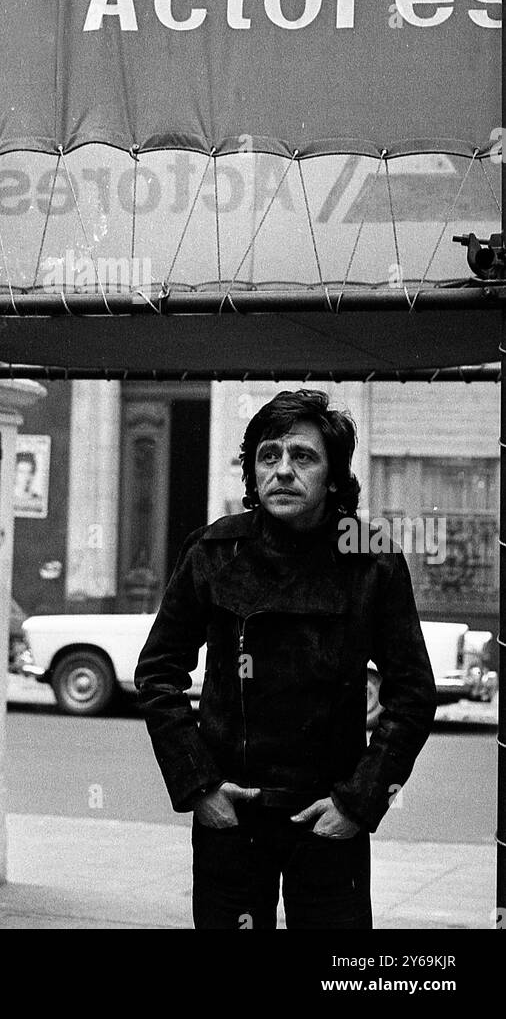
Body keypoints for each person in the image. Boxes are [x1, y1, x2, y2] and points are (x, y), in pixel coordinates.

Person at [134, 389, 437, 930]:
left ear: (334, 474)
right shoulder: (213, 552)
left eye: (303, 456)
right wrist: (199, 786)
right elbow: (158, 673)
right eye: (268, 456)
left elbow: (412, 695)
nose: (283, 471)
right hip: (232, 813)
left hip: (327, 815)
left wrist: (357, 804)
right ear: (252, 472)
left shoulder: (370, 559)